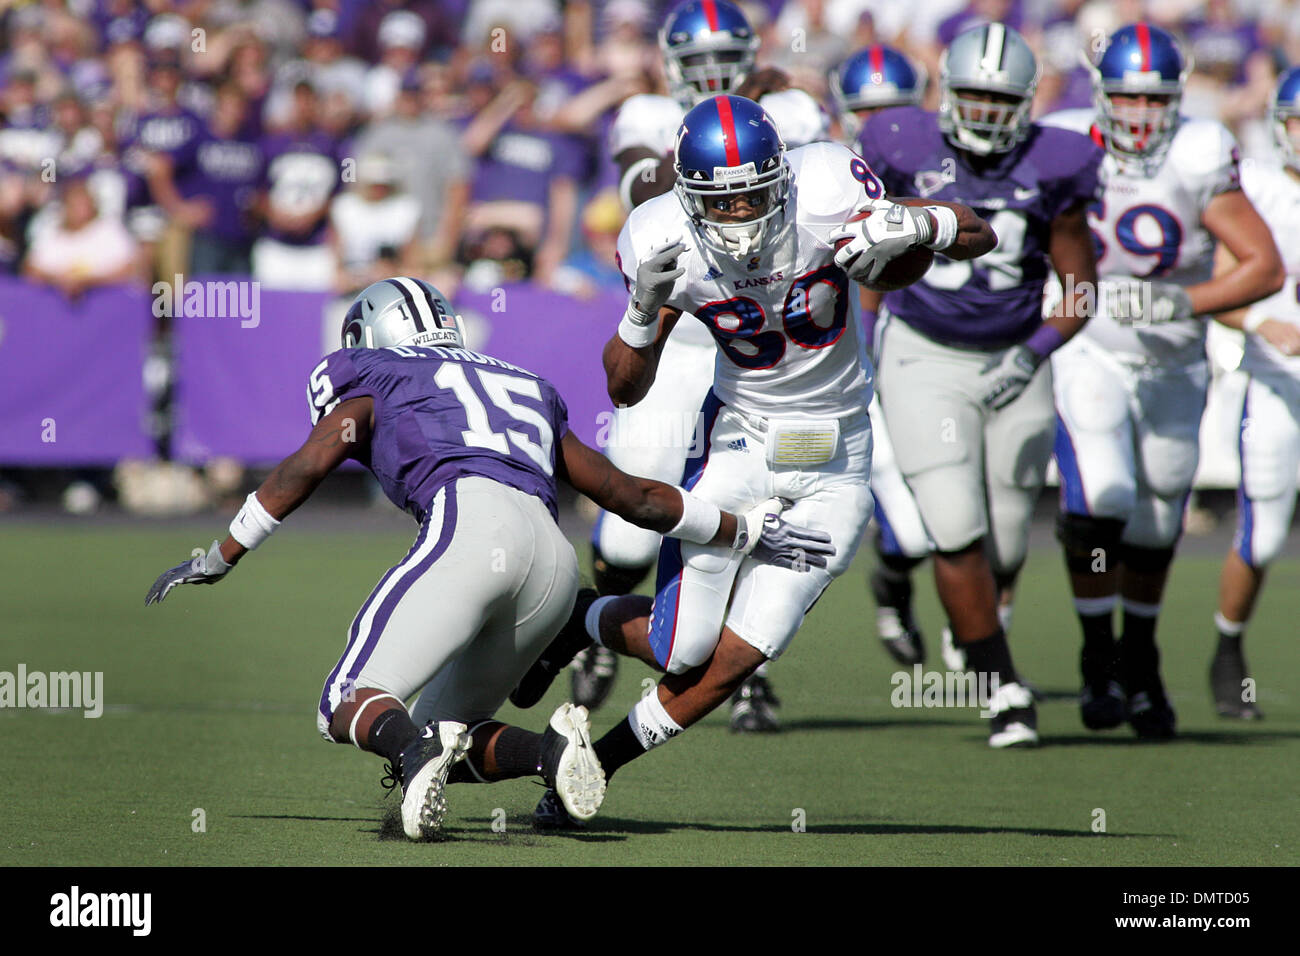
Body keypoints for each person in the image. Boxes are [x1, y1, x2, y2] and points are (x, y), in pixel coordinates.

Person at [144, 277, 832, 840]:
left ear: (373, 334)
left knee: (344, 702)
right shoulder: (522, 383)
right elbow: (630, 496)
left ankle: (412, 757)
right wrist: (742, 531)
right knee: (451, 734)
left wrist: (225, 551)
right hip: (555, 559)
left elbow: (311, 460)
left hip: (470, 524)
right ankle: (552, 753)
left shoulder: (373, 372)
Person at [514, 93, 995, 825]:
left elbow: (976, 234)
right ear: (688, 195)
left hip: (836, 459)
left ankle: (590, 767)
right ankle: (579, 618)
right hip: (738, 440)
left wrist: (917, 225)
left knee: (740, 657)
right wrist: (643, 310)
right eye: (722, 202)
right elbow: (625, 388)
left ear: (782, 179)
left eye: (754, 197)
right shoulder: (656, 232)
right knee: (684, 648)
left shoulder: (830, 182)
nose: (739, 217)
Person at [855, 23, 1103, 746]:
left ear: (1027, 103)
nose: (987, 113)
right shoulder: (899, 143)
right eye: (973, 97)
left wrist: (1035, 351)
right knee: (953, 524)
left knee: (1004, 541)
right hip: (924, 353)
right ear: (944, 94)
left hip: (1015, 357)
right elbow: (866, 256)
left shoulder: (1058, 160)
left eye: (1001, 100)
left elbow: (1080, 287)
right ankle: (1004, 691)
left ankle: (979, 633)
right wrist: (865, 350)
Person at [1042, 23, 1284, 738]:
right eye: (1127, 98)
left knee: (1153, 519)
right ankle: (1096, 656)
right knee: (1104, 496)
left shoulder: (1198, 150)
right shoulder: (1065, 143)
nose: (1141, 114)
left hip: (1175, 357)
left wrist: (1183, 299)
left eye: (1154, 100)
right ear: (1101, 96)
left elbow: (1261, 266)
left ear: (1176, 100)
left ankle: (1140, 658)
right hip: (1091, 350)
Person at [829, 43, 934, 667]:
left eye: (894, 109)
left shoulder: (945, 172)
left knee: (920, 532)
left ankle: (893, 591)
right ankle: (749, 677)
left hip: (912, 365)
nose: (883, 126)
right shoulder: (819, 179)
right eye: (868, 112)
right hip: (822, 379)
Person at [1206, 66, 1300, 720]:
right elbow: (1218, 291)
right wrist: (1263, 320)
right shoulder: (1259, 189)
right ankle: (1227, 649)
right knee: (1264, 536)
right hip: (1276, 377)